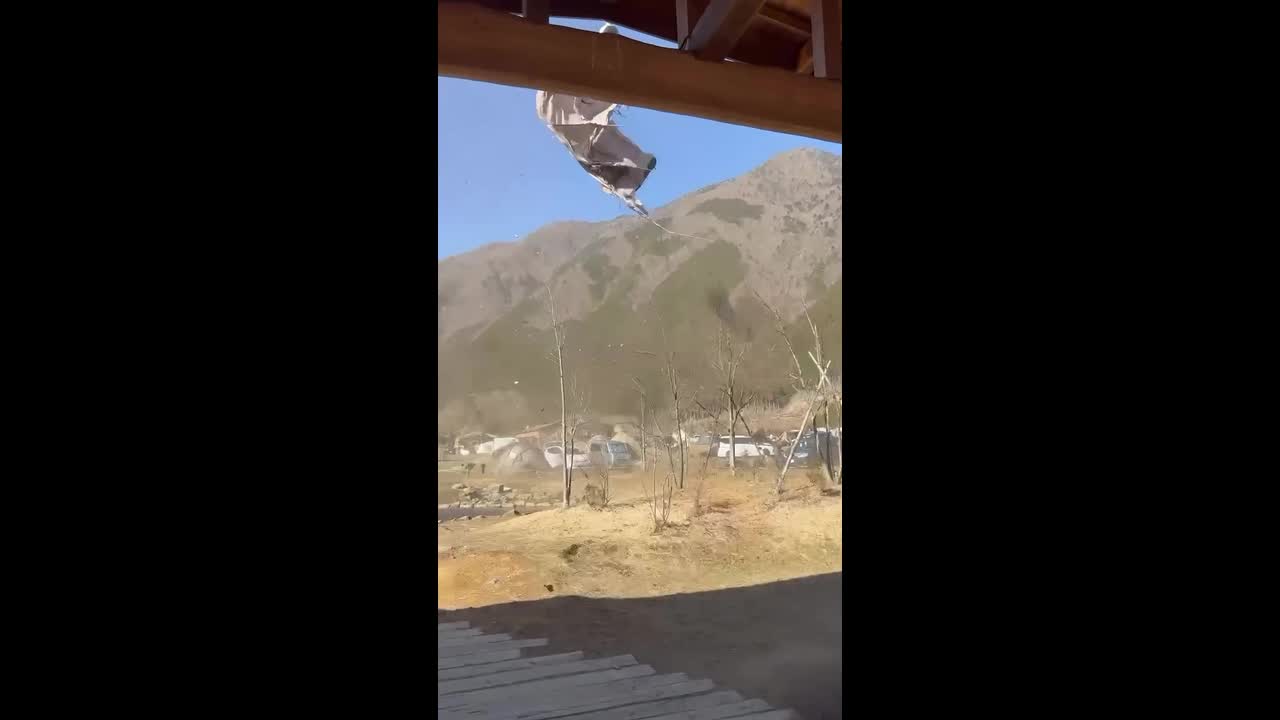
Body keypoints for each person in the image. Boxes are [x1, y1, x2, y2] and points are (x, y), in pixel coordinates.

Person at [535, 23, 657, 211]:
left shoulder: (600, 143)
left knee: (631, 158)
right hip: (571, 113)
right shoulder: (597, 137)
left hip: (576, 119)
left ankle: (623, 182)